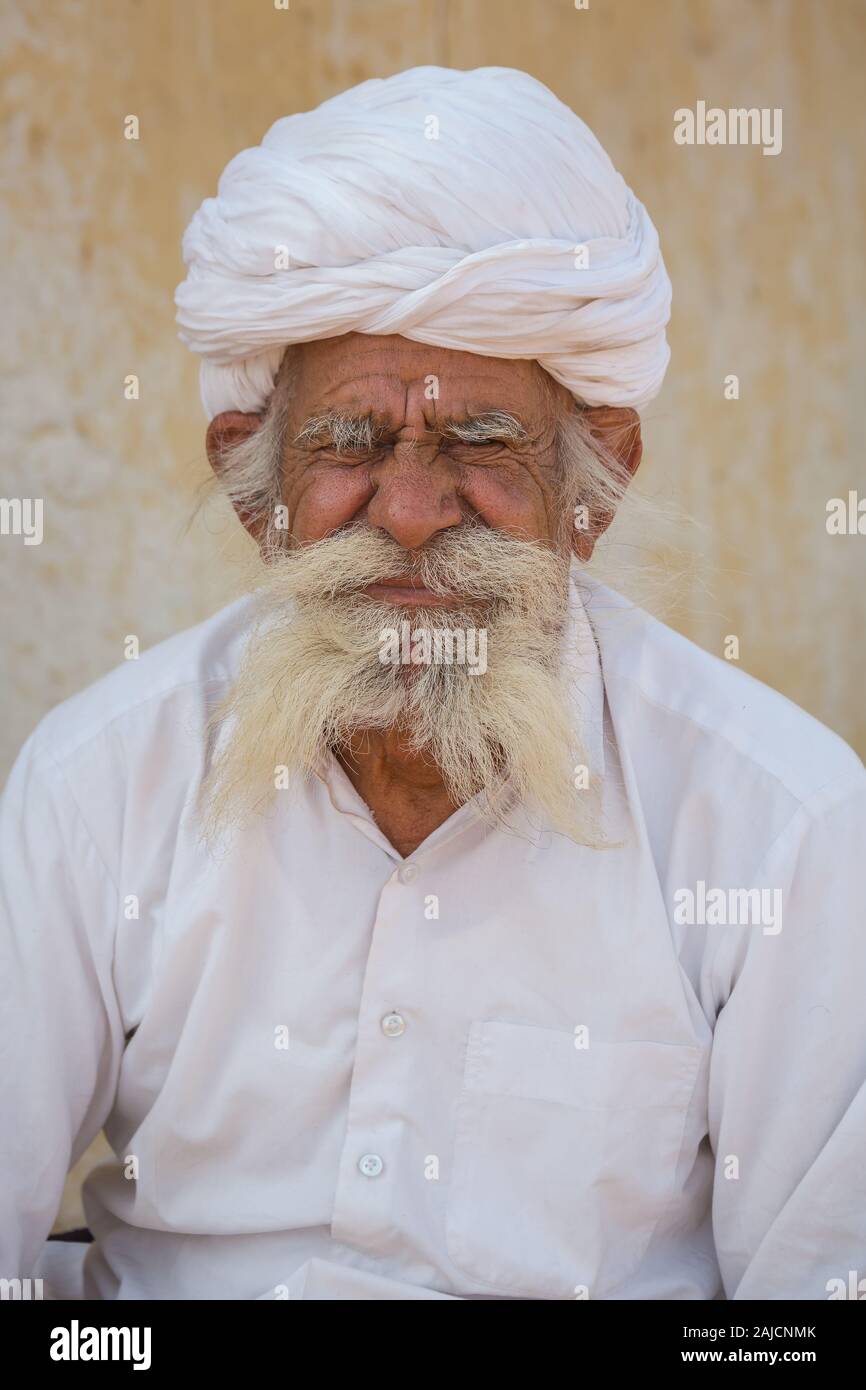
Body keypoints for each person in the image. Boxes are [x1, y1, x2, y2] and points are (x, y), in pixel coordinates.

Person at [1, 66, 864, 1301]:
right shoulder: (97, 789)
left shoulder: (779, 828)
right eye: (348, 445)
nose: (409, 513)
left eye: (480, 442)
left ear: (594, 480)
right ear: (257, 489)